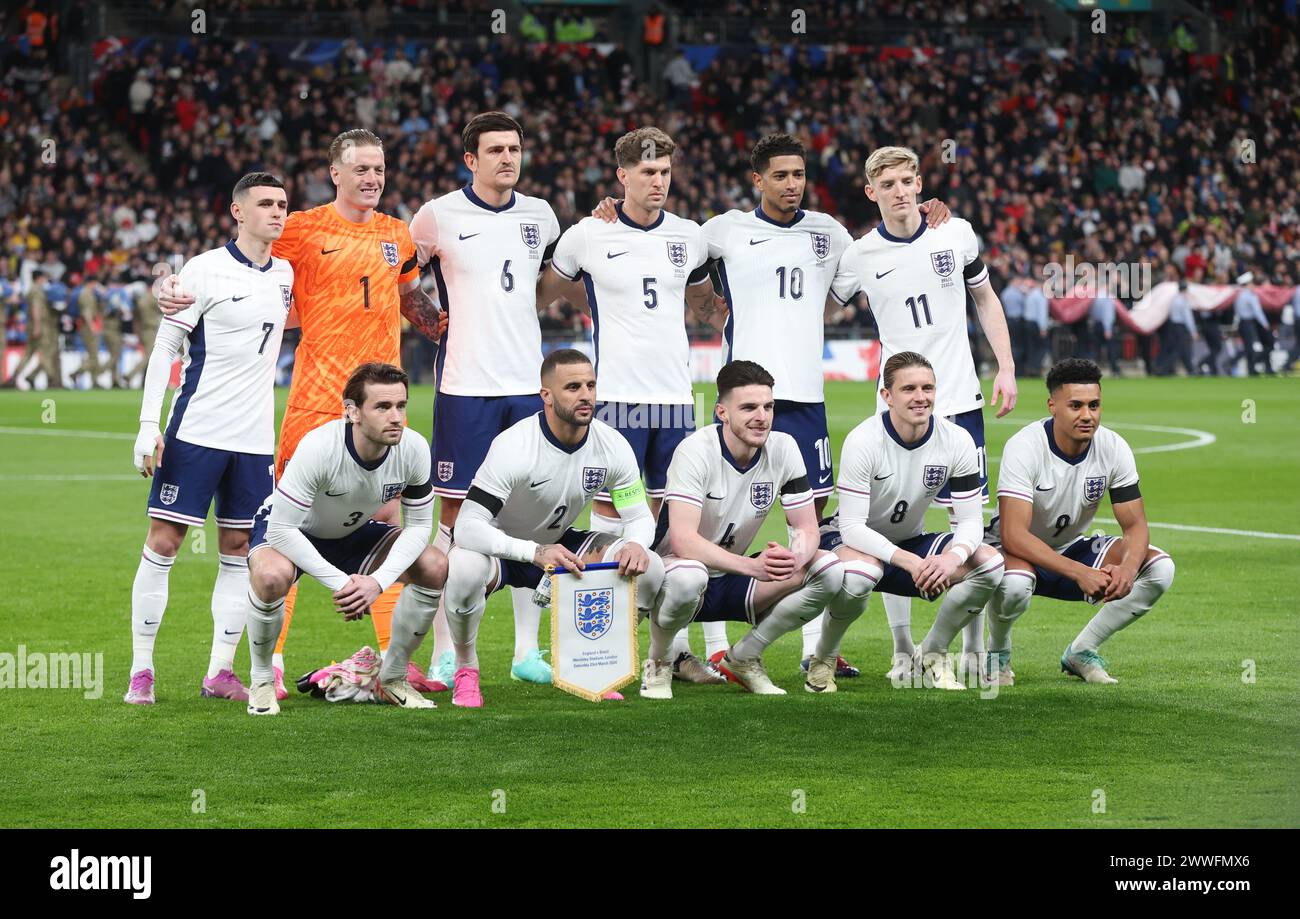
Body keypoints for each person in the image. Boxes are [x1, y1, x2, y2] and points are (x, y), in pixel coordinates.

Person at [158, 128, 441, 698]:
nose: (372, 178)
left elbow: (407, 298)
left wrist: (448, 330)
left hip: (383, 407)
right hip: (316, 404)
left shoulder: (398, 235)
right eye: (360, 169)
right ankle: (275, 663)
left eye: (379, 168)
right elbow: (239, 263)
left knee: (387, 524)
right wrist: (172, 283)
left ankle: (388, 661)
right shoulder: (301, 229)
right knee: (284, 532)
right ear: (335, 173)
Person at [546, 126, 724, 682]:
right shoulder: (586, 236)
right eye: (647, 172)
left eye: (665, 172)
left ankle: (674, 649)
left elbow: (701, 301)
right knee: (615, 525)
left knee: (676, 530)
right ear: (622, 176)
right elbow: (552, 288)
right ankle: (609, 647)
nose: (658, 182)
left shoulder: (690, 237)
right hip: (616, 405)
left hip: (675, 405)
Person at [834, 145, 1017, 682]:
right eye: (887, 184)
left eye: (908, 180)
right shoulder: (858, 255)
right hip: (898, 412)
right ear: (872, 192)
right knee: (898, 525)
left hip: (960, 402)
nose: (900, 191)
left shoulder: (955, 234)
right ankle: (902, 648)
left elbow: (985, 299)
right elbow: (826, 304)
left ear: (920, 183)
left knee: (971, 529)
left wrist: (1004, 365)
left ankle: (973, 651)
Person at [123, 173, 295, 705]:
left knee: (239, 549)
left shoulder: (286, 273)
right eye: (265, 203)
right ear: (237, 212)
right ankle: (142, 669)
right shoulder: (203, 270)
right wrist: (149, 425)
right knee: (165, 543)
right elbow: (165, 347)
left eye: (283, 204)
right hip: (196, 430)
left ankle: (219, 671)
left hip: (253, 442)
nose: (276, 212)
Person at [408, 111, 566, 689]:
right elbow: (404, 280)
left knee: (533, 514)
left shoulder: (541, 216)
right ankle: (449, 652)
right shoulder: (436, 216)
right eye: (495, 150)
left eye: (515, 148)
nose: (508, 158)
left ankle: (527, 652)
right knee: (454, 518)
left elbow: (546, 285)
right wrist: (427, 317)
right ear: (470, 160)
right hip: (464, 388)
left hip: (527, 385)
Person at [442, 349, 664, 708]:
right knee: (464, 568)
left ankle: (593, 662)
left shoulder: (612, 444)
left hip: (561, 544)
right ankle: (466, 669)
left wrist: (635, 544)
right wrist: (532, 552)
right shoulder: (515, 446)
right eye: (573, 387)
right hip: (503, 546)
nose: (586, 395)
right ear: (546, 395)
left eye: (591, 385)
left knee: (650, 568)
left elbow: (639, 516)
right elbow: (466, 526)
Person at [243, 362, 446, 715]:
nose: (396, 416)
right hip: (293, 530)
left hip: (352, 532)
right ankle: (261, 680)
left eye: (401, 405)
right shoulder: (319, 447)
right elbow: (280, 529)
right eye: (382, 407)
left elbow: (417, 528)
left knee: (433, 564)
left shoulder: (414, 448)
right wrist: (343, 583)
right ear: (352, 411)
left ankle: (393, 678)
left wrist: (377, 583)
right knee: (270, 576)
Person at [645, 360, 844, 699]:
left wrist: (794, 559)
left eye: (768, 406)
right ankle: (660, 662)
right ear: (722, 412)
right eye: (749, 407)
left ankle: (744, 657)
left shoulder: (784, 447)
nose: (761, 416)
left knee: (829, 569)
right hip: (677, 578)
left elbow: (808, 528)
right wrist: (753, 566)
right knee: (690, 575)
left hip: (736, 579)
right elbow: (682, 541)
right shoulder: (695, 451)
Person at [810, 352, 1006, 691]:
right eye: (909, 389)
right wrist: (910, 562)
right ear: (887, 396)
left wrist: (951, 558)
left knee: (990, 564)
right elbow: (852, 526)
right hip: (851, 544)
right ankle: (823, 659)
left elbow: (972, 522)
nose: (921, 397)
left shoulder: (957, 440)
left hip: (908, 544)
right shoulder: (864, 440)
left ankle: (933, 651)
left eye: (928, 388)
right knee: (860, 576)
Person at [984, 359, 1175, 685]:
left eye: (1094, 405)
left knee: (1159, 569)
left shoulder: (1113, 447)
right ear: (1053, 406)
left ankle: (1082, 651)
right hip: (1012, 551)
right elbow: (1013, 535)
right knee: (1015, 585)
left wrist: (1127, 571)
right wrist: (1080, 573)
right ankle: (997, 655)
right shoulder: (1025, 446)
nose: (1087, 415)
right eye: (1075, 406)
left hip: (1071, 546)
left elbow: (1135, 525)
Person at [1233, 271, 1273, 376]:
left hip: (1241, 323)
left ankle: (1251, 369)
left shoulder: (1239, 295)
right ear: (1248, 283)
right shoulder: (1250, 296)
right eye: (1251, 283)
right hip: (1248, 323)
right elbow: (1258, 312)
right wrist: (1265, 324)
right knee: (1250, 347)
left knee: (1247, 347)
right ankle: (1251, 369)